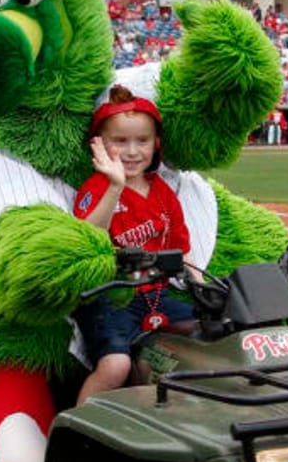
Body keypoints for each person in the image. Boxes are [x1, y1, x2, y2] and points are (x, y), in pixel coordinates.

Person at [72, 86, 196, 404]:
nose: (132, 151)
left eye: (142, 141)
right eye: (120, 141)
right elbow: (88, 239)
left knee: (204, 337)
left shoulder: (162, 191)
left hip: (156, 295)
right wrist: (115, 185)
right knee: (116, 365)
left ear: (156, 144)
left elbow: (182, 251)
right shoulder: (96, 188)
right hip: (109, 298)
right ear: (99, 144)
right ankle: (74, 424)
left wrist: (202, 286)